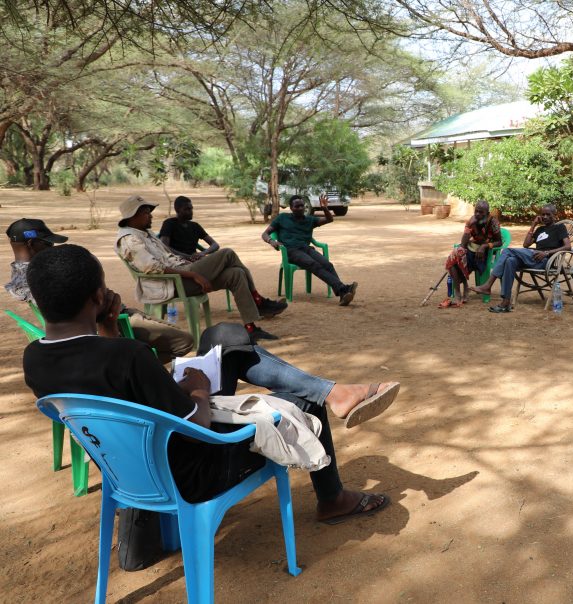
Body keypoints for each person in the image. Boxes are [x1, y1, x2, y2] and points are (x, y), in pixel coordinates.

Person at [22, 243, 399, 523]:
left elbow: (106, 382)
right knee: (301, 403)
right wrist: (199, 387)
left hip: (132, 467)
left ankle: (335, 392)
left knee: (222, 337)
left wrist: (107, 327)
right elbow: (197, 424)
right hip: (194, 471)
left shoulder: (35, 359)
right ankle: (333, 497)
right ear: (98, 297)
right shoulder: (128, 357)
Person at [5, 218, 193, 363]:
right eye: (47, 243)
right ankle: (135, 370)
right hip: (112, 321)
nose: (52, 247)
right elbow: (77, 310)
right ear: (30, 243)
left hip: (105, 318)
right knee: (184, 341)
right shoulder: (41, 275)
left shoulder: (22, 276)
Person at [115, 195, 287, 341]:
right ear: (133, 216)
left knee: (236, 274)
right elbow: (152, 267)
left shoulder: (145, 233)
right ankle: (258, 300)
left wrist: (189, 265)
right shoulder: (129, 239)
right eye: (146, 213)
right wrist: (193, 275)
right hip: (172, 284)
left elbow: (168, 255)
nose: (150, 217)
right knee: (227, 253)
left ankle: (250, 329)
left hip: (184, 273)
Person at [469, 204, 571, 313]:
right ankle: (505, 302)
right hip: (532, 257)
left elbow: (568, 246)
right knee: (510, 261)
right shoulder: (540, 229)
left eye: (548, 214)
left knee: (507, 251)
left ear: (554, 215)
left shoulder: (559, 228)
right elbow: (526, 244)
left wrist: (546, 253)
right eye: (543, 214)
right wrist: (533, 225)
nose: (545, 217)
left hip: (545, 260)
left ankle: (488, 285)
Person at [262, 194, 357, 306]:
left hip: (306, 249)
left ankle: (342, 294)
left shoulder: (309, 220)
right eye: (297, 206)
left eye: (302, 205)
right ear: (291, 208)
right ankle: (343, 289)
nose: (300, 208)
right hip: (291, 251)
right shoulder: (282, 218)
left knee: (327, 264)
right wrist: (272, 241)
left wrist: (325, 208)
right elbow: (265, 234)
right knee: (312, 264)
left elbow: (329, 219)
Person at [440, 200, 503, 308]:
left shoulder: (493, 222)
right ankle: (458, 291)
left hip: (486, 251)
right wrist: (469, 225)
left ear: (487, 213)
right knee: (454, 257)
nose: (478, 214)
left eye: (481, 212)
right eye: (476, 211)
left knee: (465, 259)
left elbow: (499, 241)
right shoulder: (472, 221)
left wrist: (484, 246)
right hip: (472, 248)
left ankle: (464, 284)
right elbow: (464, 243)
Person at [158, 195, 220, 260]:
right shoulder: (169, 223)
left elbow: (215, 245)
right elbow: (164, 247)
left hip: (196, 261)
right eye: (187, 209)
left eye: (191, 209)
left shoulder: (195, 226)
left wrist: (203, 253)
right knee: (227, 253)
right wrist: (188, 257)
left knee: (227, 255)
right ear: (177, 210)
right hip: (178, 263)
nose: (191, 212)